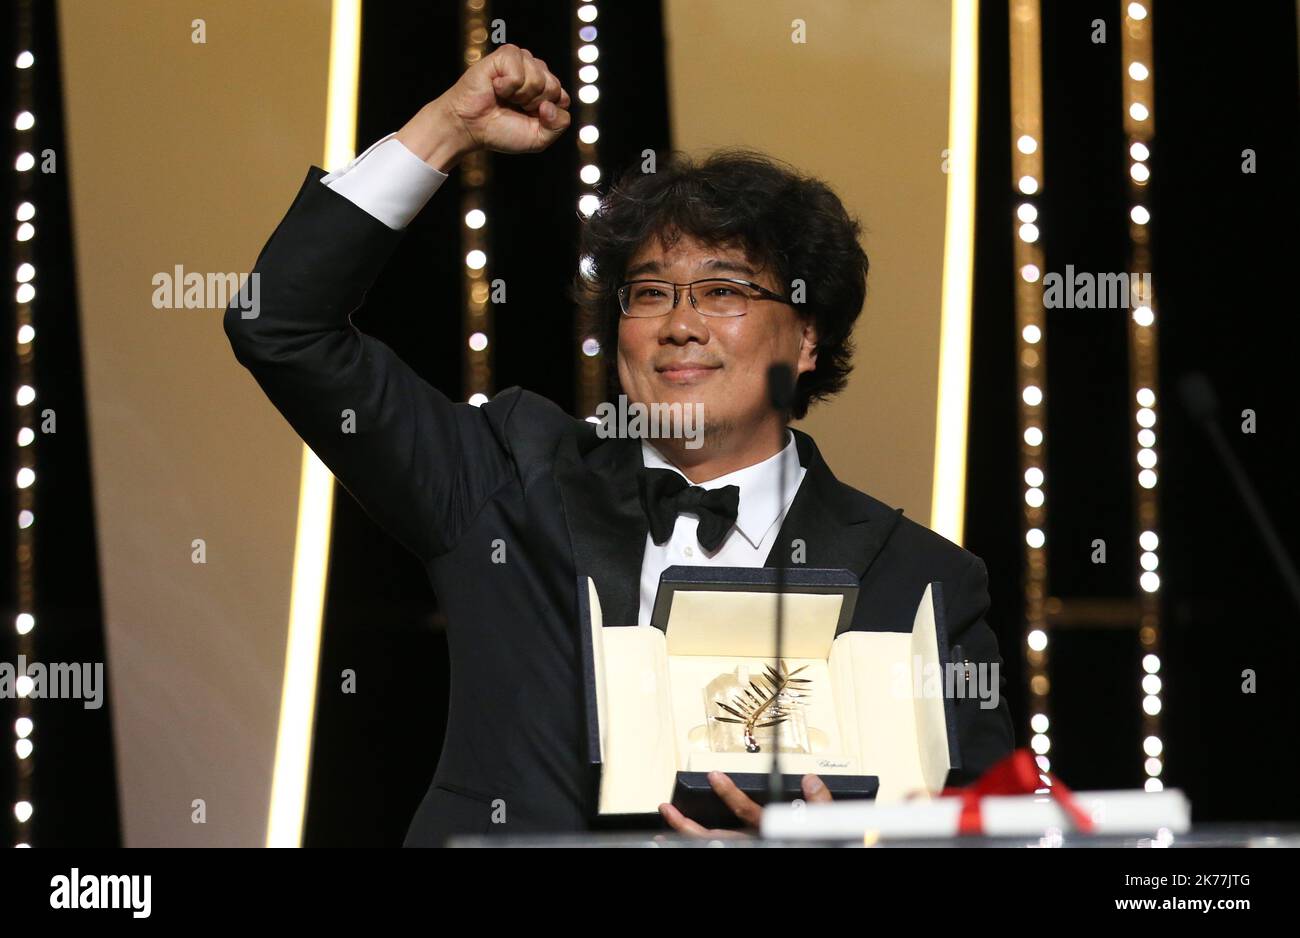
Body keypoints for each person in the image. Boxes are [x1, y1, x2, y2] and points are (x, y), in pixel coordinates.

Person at [224, 44, 1013, 846]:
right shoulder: (511, 479)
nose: (678, 323)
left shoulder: (920, 581)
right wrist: (446, 128)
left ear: (808, 337)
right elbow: (282, 326)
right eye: (648, 293)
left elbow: (994, 839)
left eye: (723, 291)